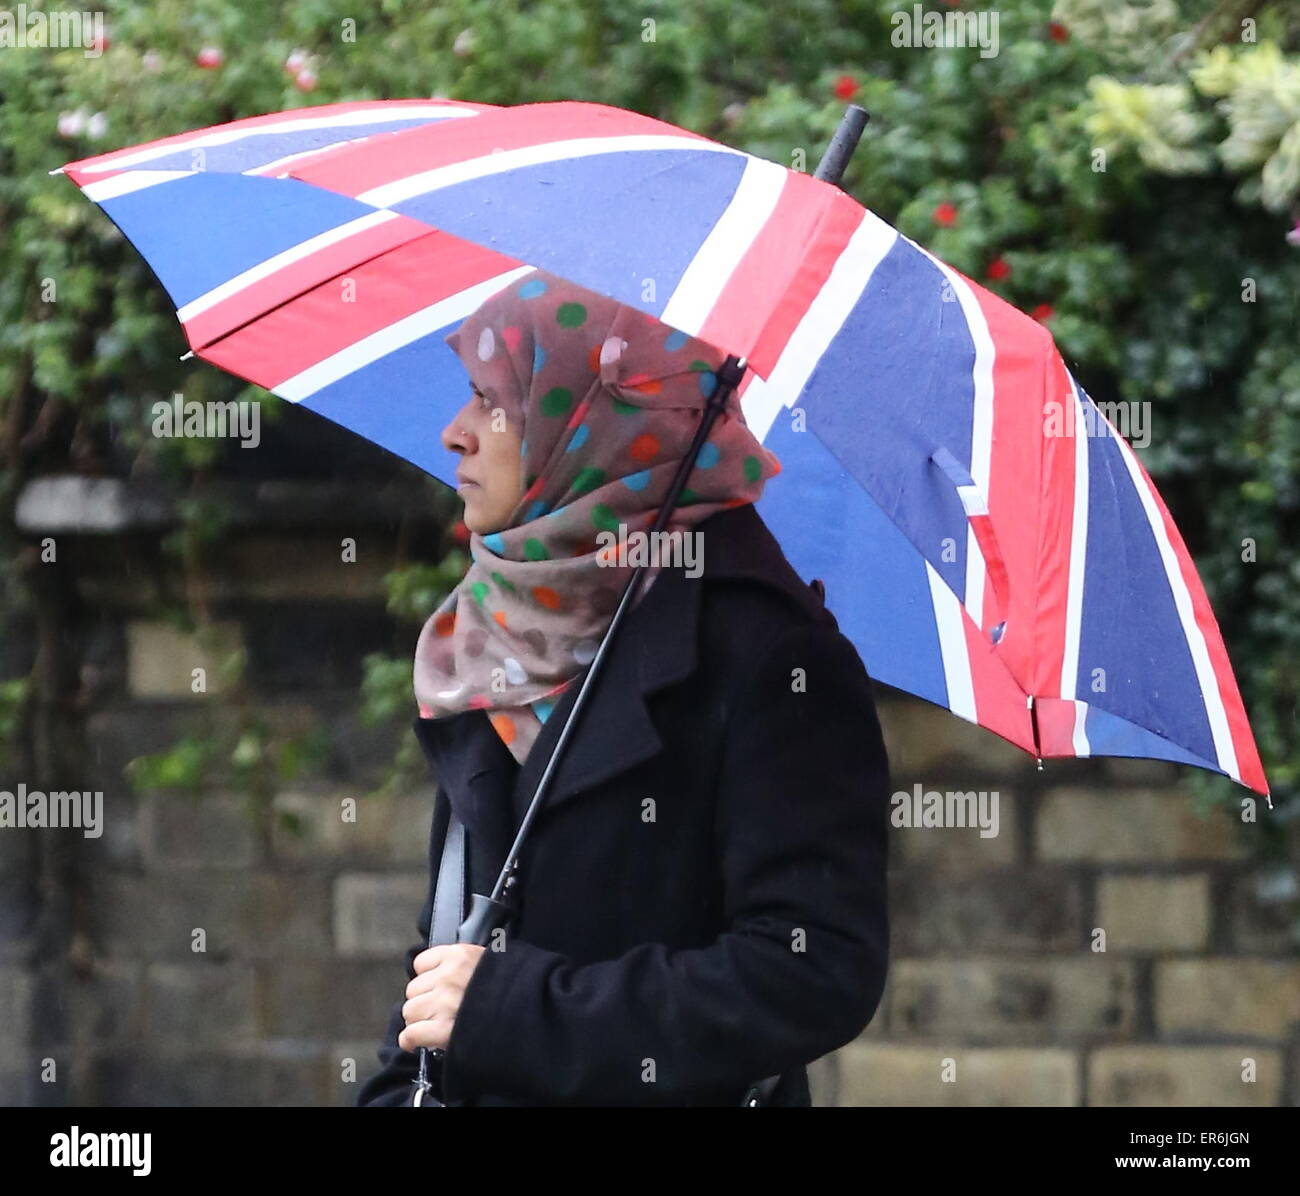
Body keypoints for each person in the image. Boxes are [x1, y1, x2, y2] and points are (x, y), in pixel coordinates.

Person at [356, 268, 890, 1107]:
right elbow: (443, 973)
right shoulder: (494, 638)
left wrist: (517, 1009)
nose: (454, 433)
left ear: (589, 421)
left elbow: (813, 966)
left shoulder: (768, 654)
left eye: (493, 400)